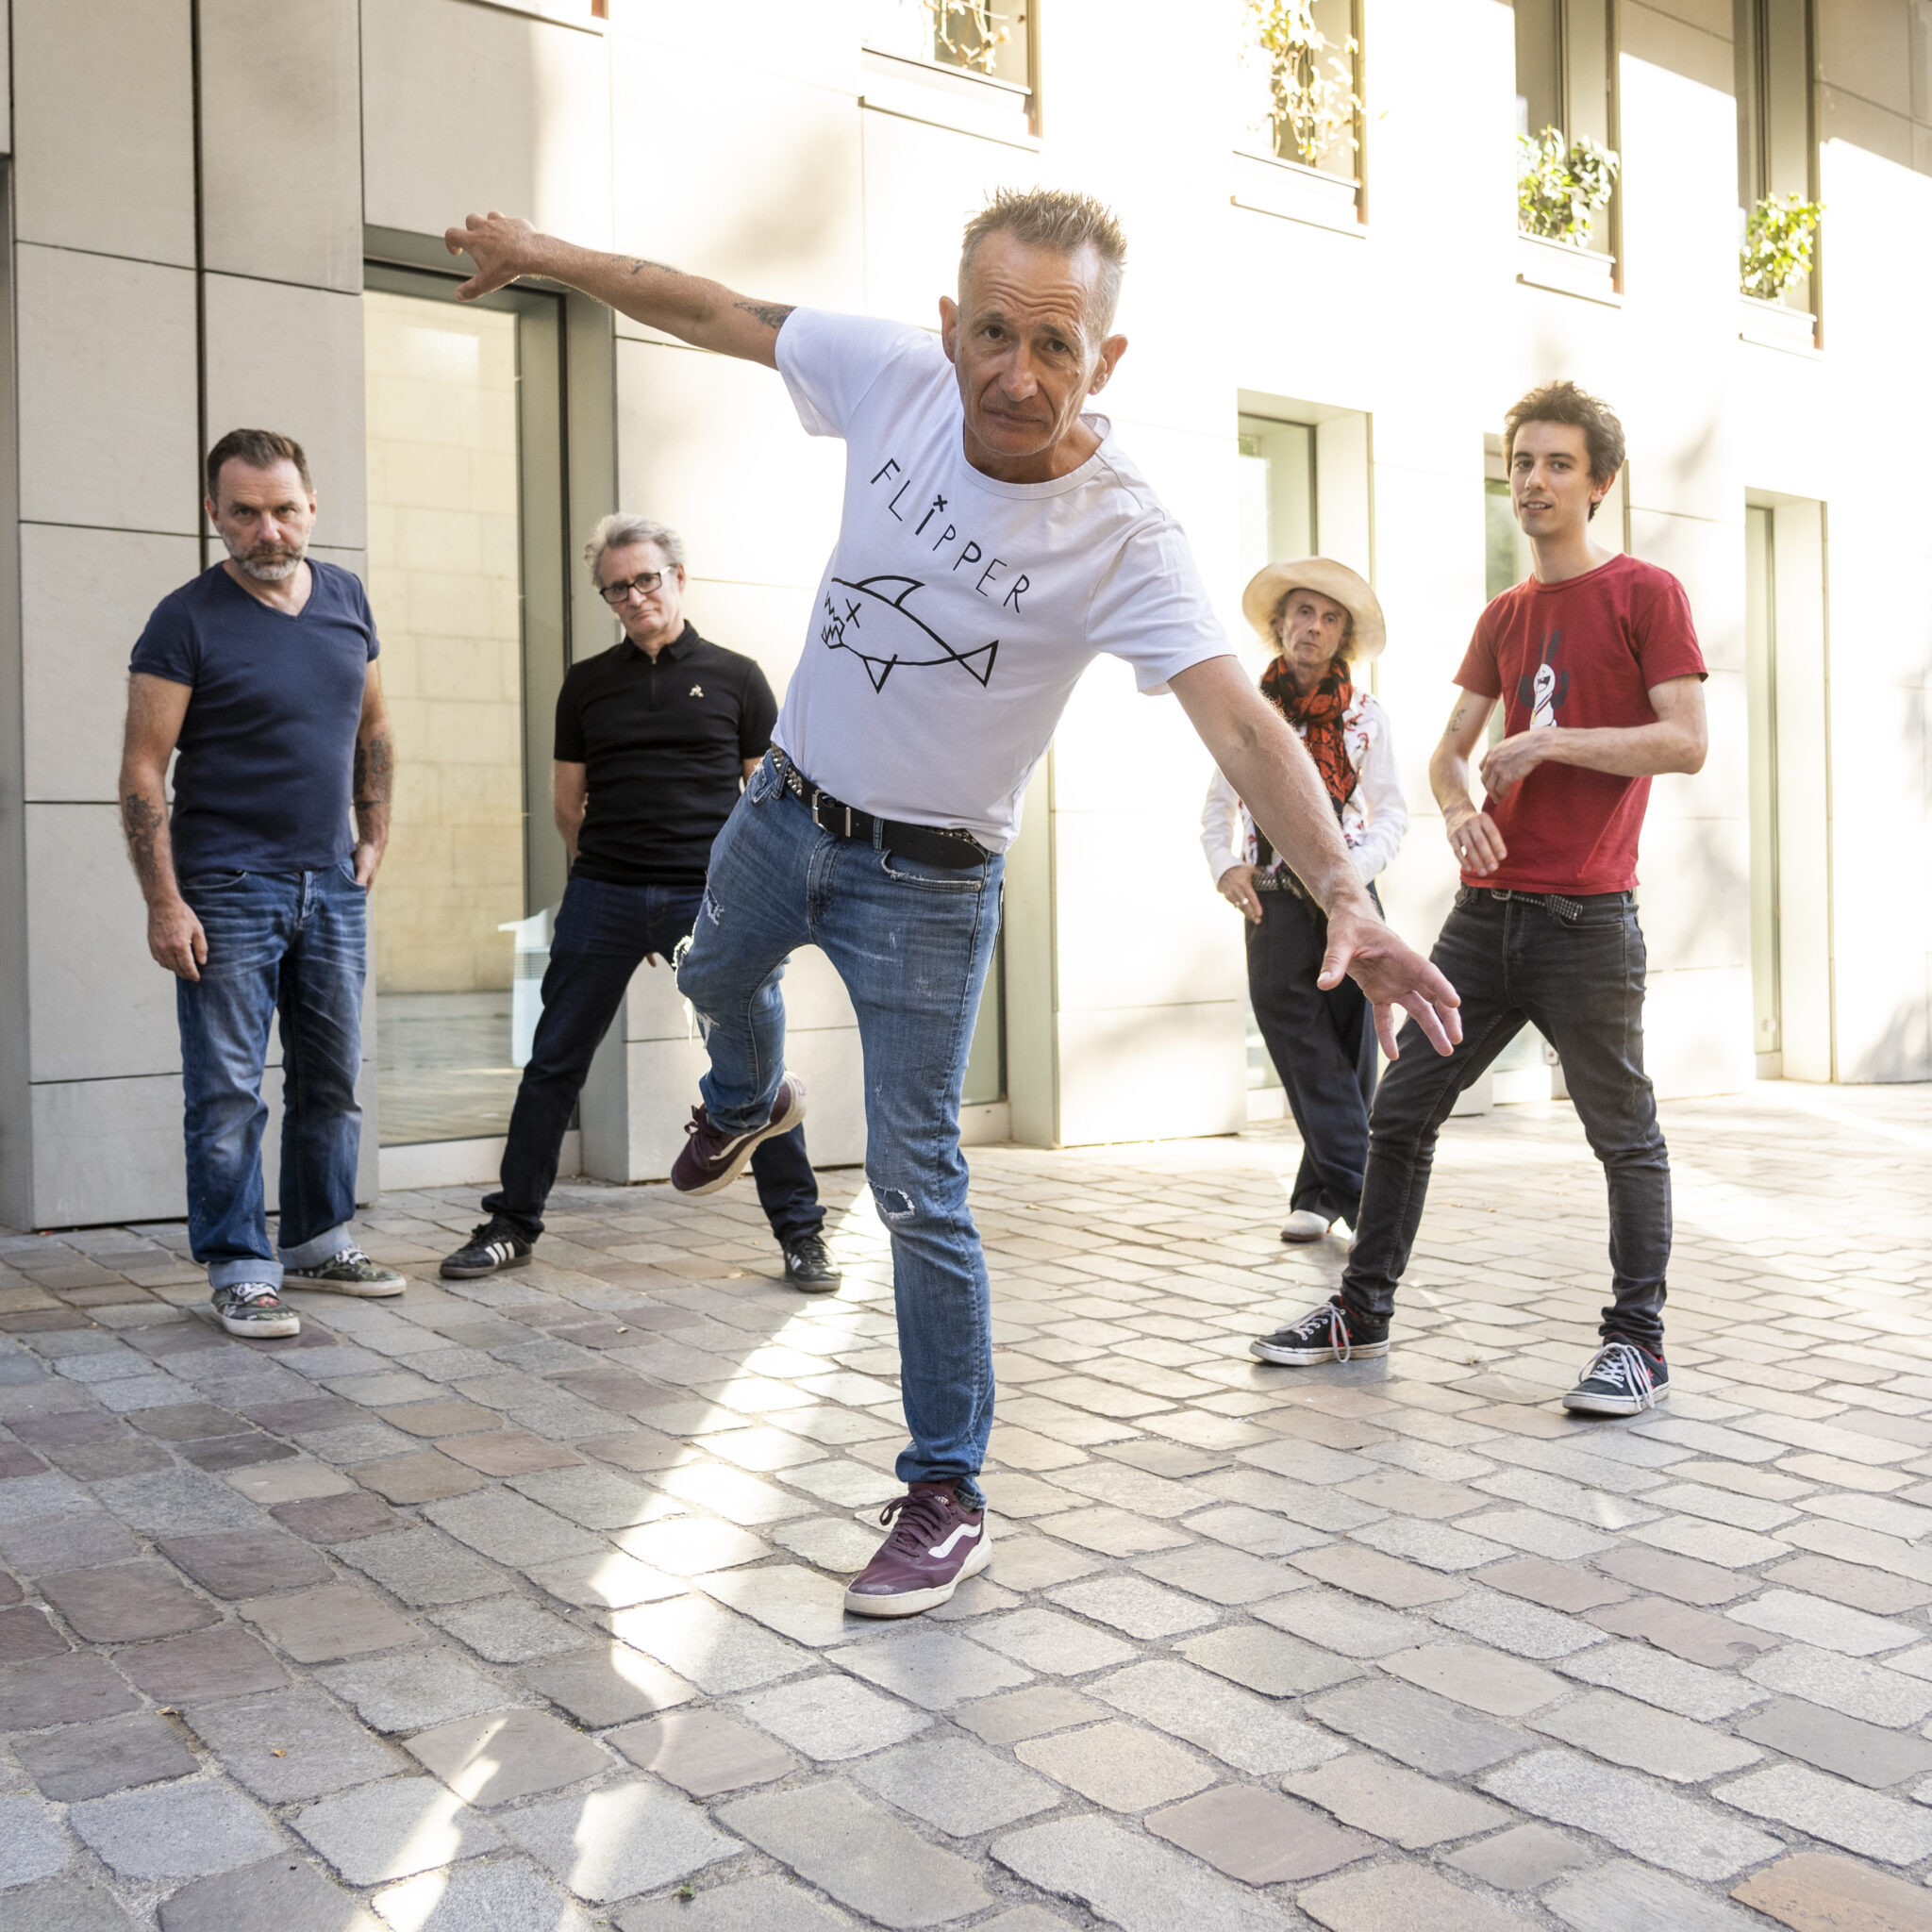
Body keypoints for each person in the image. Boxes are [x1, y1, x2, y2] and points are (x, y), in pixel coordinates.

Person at [445, 188, 1460, 1615]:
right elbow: (707, 306)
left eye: (1056, 345)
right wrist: (540, 254)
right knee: (714, 984)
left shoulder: (1126, 535)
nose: (1017, 373)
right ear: (950, 324)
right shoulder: (891, 376)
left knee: (921, 1186)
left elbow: (1242, 724)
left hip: (927, 885)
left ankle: (944, 1489)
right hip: (780, 807)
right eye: (994, 332)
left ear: (1105, 361)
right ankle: (747, 1098)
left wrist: (1346, 893)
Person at [1250, 381, 1707, 1418]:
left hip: (1589, 921)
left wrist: (1551, 741)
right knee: (1402, 1110)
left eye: (1555, 464)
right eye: (1519, 463)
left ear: (1597, 482)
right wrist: (1456, 810)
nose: (1533, 481)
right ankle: (1358, 1314)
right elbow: (1447, 754)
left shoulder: (1646, 593)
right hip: (1483, 917)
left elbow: (1684, 740)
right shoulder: (1504, 615)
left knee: (1621, 1133)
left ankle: (1636, 1344)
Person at [439, 514, 841, 1291]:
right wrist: (604, 870)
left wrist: (745, 893)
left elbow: (765, 800)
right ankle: (511, 1225)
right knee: (554, 1058)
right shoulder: (587, 684)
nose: (633, 596)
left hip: (710, 901)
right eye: (616, 588)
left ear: (678, 579)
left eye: (645, 579)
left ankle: (802, 1235)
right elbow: (567, 805)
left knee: (752, 1067)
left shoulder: (737, 676)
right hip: (605, 895)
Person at [120, 429, 405, 1340]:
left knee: (332, 1077)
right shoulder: (184, 618)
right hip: (226, 886)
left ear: (312, 507)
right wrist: (164, 902)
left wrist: (374, 832)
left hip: (330, 884)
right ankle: (242, 1266)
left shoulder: (348, 597)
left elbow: (375, 728)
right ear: (214, 514)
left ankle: (319, 1239)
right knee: (230, 1089)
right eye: (244, 512)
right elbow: (141, 772)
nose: (268, 530)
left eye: (284, 509)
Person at [1204, 559, 1407, 1243]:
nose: (1312, 627)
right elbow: (1216, 807)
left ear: (1342, 634)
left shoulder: (1364, 716)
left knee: (1351, 1042)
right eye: (1302, 612)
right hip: (1273, 896)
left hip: (1350, 892)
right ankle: (1368, 1194)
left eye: (1328, 617)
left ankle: (1319, 1196)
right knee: (1294, 1033)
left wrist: (1349, 874)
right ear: (1280, 624)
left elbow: (1392, 815)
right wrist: (1226, 866)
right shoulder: (1251, 714)